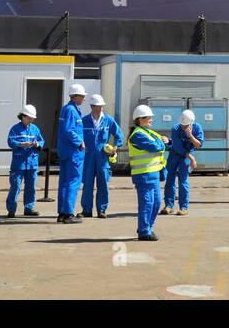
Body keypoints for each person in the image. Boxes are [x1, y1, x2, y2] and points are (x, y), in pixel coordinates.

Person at [127, 104, 169, 241]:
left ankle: (146, 227)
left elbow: (164, 142)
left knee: (156, 202)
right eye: (148, 117)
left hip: (153, 174)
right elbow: (156, 146)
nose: (151, 119)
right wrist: (163, 143)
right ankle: (144, 232)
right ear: (140, 119)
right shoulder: (138, 135)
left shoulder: (148, 132)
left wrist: (165, 141)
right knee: (147, 203)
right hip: (144, 175)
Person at [80, 95, 123, 219]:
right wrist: (81, 145)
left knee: (103, 184)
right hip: (88, 157)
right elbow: (77, 136)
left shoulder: (108, 120)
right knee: (87, 184)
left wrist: (115, 146)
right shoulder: (84, 121)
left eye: (101, 106)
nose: (100, 109)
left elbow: (118, 134)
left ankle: (102, 210)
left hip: (102, 157)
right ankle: (87, 210)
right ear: (92, 107)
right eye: (97, 106)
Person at [161, 109, 204, 215]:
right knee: (170, 180)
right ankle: (169, 205)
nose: (183, 126)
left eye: (186, 125)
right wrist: (192, 159)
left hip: (185, 157)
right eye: (182, 124)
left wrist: (190, 136)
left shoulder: (197, 128)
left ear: (191, 123)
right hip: (175, 155)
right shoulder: (175, 129)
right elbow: (178, 147)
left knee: (183, 181)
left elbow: (198, 145)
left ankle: (183, 207)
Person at [56, 83, 88, 223]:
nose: (84, 99)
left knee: (64, 182)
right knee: (73, 181)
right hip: (73, 152)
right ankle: (68, 213)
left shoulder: (66, 109)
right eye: (82, 96)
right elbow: (69, 130)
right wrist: (80, 142)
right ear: (75, 96)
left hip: (65, 151)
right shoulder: (71, 110)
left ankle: (62, 213)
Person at [5, 104, 44, 218]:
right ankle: (11, 210)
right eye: (28, 118)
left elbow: (41, 140)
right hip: (19, 164)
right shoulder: (15, 129)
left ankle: (29, 208)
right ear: (22, 116)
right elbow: (10, 142)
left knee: (31, 187)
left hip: (32, 163)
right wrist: (21, 144)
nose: (30, 120)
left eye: (32, 118)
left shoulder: (35, 129)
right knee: (15, 186)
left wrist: (38, 144)